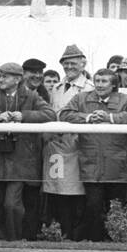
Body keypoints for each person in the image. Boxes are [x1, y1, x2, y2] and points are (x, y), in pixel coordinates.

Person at [59, 68, 127, 242]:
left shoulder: (126, 100)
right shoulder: (81, 98)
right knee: (93, 206)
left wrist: (110, 117)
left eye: (104, 81)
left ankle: (115, 242)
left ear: (114, 84)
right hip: (91, 164)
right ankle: (94, 242)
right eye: (97, 80)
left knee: (115, 206)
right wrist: (88, 117)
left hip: (116, 165)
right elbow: (65, 114)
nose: (99, 84)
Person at [0, 62, 55, 241]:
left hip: (20, 161)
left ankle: (14, 239)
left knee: (12, 204)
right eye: (0, 76)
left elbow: (50, 114)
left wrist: (24, 116)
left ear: (17, 79)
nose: (0, 79)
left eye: (5, 76)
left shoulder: (32, 96)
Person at [43, 44, 93, 239]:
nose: (69, 67)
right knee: (57, 191)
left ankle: (76, 234)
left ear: (83, 63)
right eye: (66, 63)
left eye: (73, 63)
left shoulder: (89, 88)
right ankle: (62, 232)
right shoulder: (56, 88)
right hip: (56, 147)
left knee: (77, 192)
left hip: (78, 146)